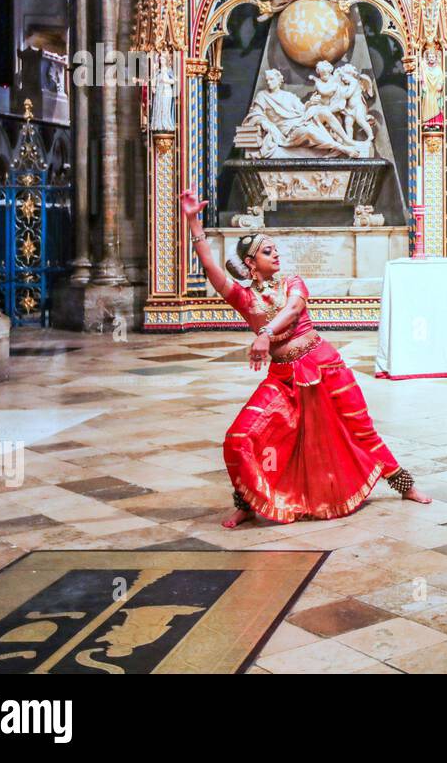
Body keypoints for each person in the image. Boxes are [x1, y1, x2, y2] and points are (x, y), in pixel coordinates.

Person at [180, 189, 430, 528]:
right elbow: (210, 265)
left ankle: (405, 485)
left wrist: (266, 334)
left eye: (276, 250)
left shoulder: (292, 282)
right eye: (268, 252)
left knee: (361, 431)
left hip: (324, 367)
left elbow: (294, 308)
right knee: (241, 437)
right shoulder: (241, 297)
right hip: (283, 377)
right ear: (251, 263)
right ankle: (246, 501)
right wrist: (193, 220)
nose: (276, 256)